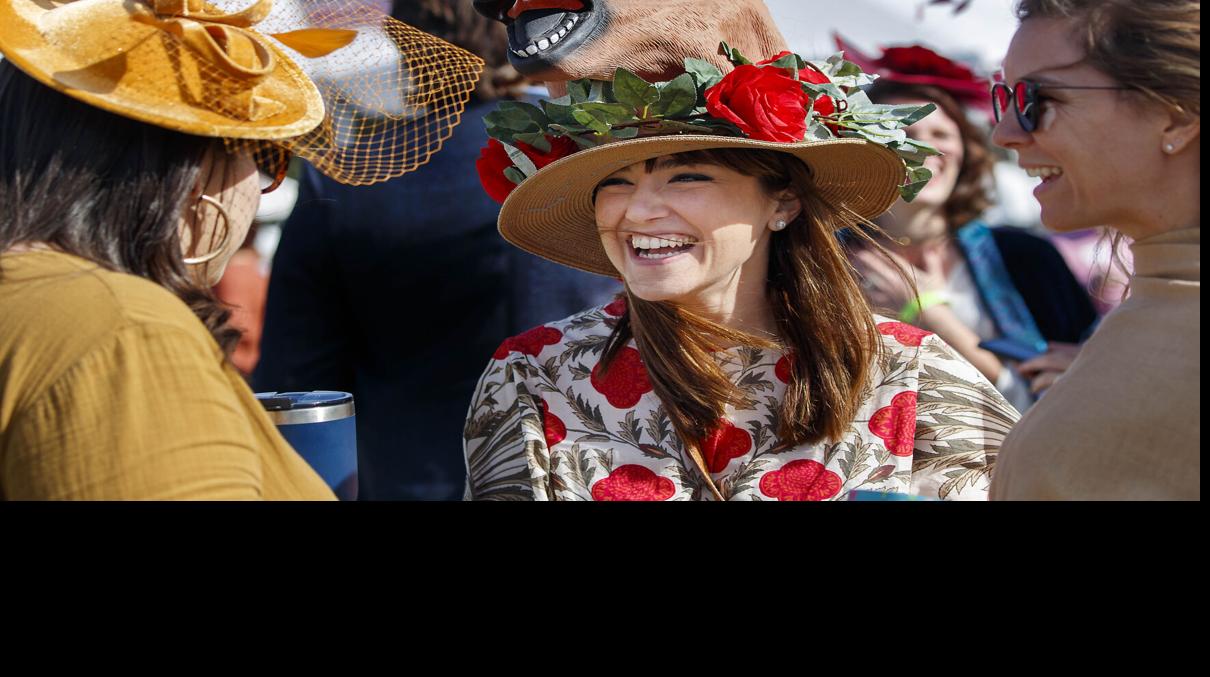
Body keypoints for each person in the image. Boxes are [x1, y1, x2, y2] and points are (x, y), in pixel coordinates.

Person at [462, 45, 1018, 500]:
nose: (637, 210)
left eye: (687, 177)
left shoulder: (908, 373)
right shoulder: (536, 376)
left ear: (783, 203)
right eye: (615, 181)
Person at [0, 0, 481, 500]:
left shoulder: (31, 298)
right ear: (190, 171)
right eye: (265, 154)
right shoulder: (129, 332)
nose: (257, 188)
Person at [253, 0, 621, 501]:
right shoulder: (583, 149)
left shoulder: (349, 174)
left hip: (405, 476)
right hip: (586, 460)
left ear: (407, 45)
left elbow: (296, 378)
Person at [988, 0, 1200, 500]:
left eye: (1037, 98)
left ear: (1177, 116)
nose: (1006, 133)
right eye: (1005, 97)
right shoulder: (1151, 306)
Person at [838, 38, 1096, 414]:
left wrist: (925, 311)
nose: (926, 150)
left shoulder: (1026, 258)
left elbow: (1070, 380)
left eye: (941, 135)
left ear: (965, 150)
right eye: (904, 134)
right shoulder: (827, 262)